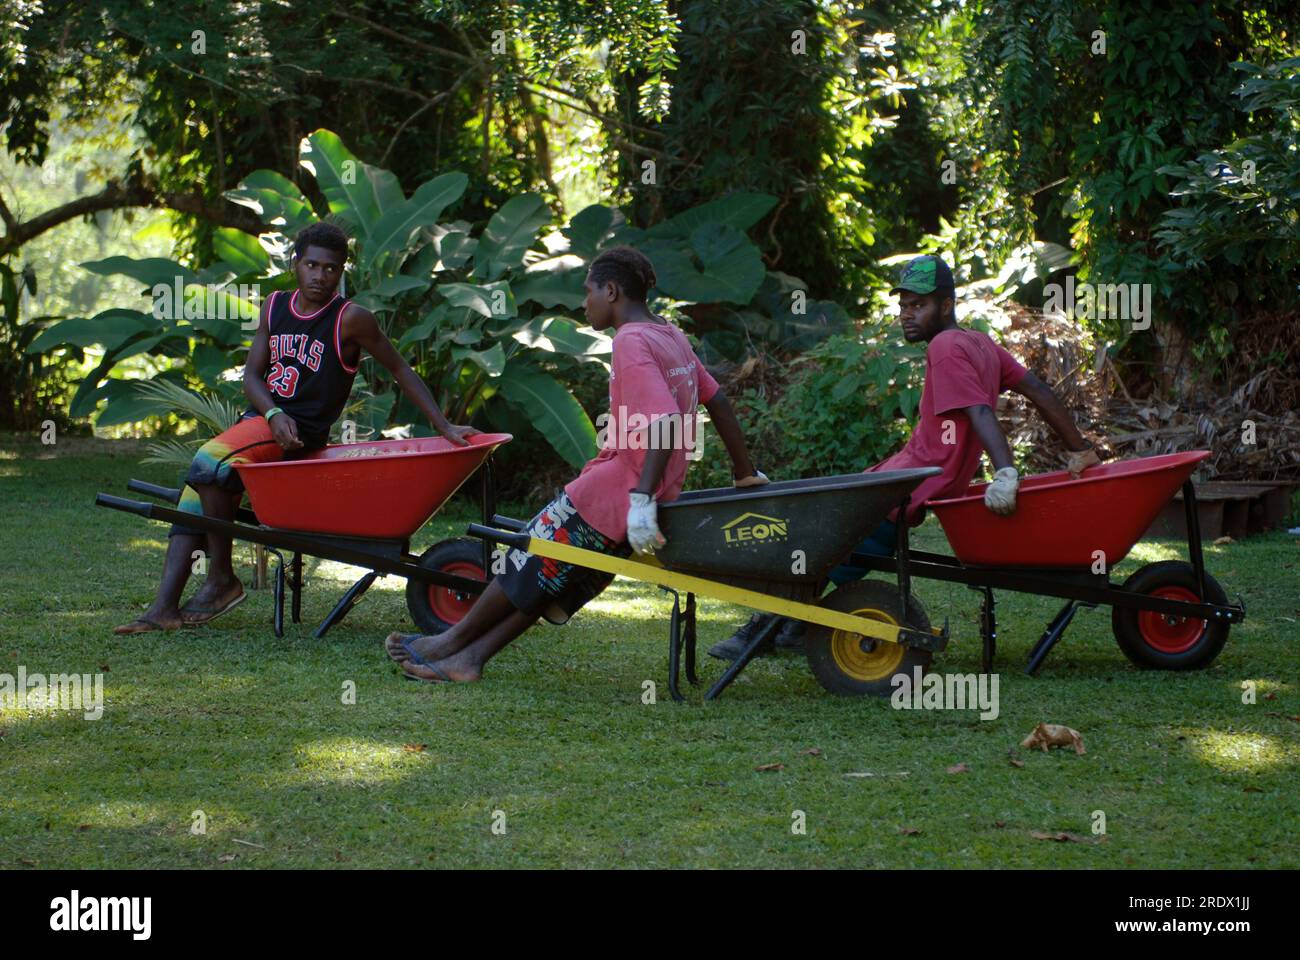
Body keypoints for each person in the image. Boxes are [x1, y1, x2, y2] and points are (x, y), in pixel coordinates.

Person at [386, 245, 767, 683]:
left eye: (588, 293)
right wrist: (744, 472)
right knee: (552, 577)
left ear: (611, 290)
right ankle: (467, 659)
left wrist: (640, 498)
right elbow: (716, 399)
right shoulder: (670, 335)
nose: (584, 303)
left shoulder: (631, 340)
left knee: (528, 558)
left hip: (614, 491)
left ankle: (448, 643)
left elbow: (663, 422)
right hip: (642, 489)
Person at [708, 254, 1101, 660]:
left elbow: (979, 412)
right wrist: (1080, 449)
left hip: (909, 484)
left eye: (919, 306)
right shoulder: (978, 343)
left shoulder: (946, 347)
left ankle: (762, 629)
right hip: (907, 478)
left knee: (817, 542)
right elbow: (1037, 389)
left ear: (946, 305)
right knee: (837, 545)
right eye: (904, 306)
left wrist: (1006, 472)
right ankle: (790, 627)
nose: (907, 315)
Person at [113, 221, 477, 634]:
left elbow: (399, 368)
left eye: (331, 269)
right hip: (264, 425)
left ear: (341, 271)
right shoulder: (275, 306)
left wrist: (442, 424)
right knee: (197, 490)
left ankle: (220, 580)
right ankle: (163, 608)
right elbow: (252, 376)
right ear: (295, 264)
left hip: (300, 437)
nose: (320, 276)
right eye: (312, 265)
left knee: (206, 461)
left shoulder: (351, 319)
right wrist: (271, 414)